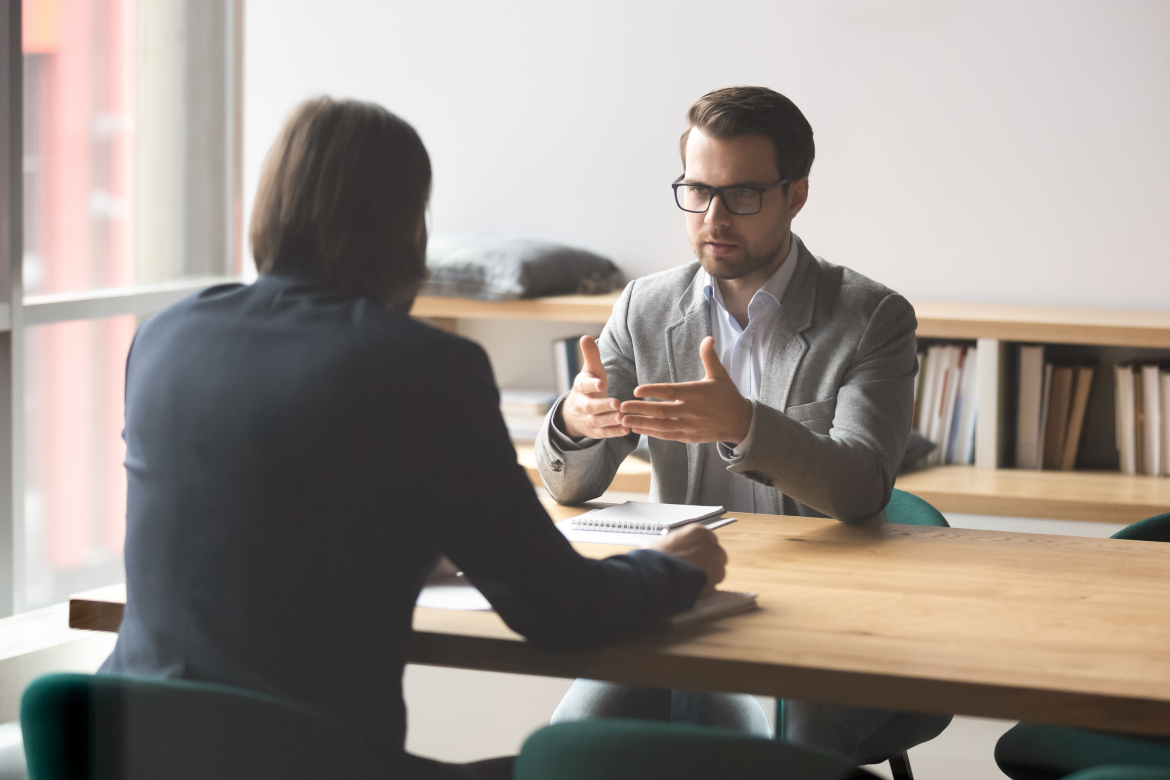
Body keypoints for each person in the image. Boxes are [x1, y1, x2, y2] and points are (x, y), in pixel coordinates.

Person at [100, 97, 729, 780]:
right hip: (310, 762)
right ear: (406, 224)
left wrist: (398, 545)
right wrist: (677, 568)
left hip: (124, 747)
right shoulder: (422, 366)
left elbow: (250, 511)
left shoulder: (165, 336)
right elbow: (560, 611)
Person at [536, 86, 951, 764]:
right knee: (573, 745)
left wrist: (745, 425)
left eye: (743, 195)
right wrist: (577, 424)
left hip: (831, 616)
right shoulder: (645, 307)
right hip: (688, 601)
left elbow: (861, 488)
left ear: (796, 195)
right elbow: (571, 487)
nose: (714, 217)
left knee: (781, 748)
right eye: (698, 191)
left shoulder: (871, 318)